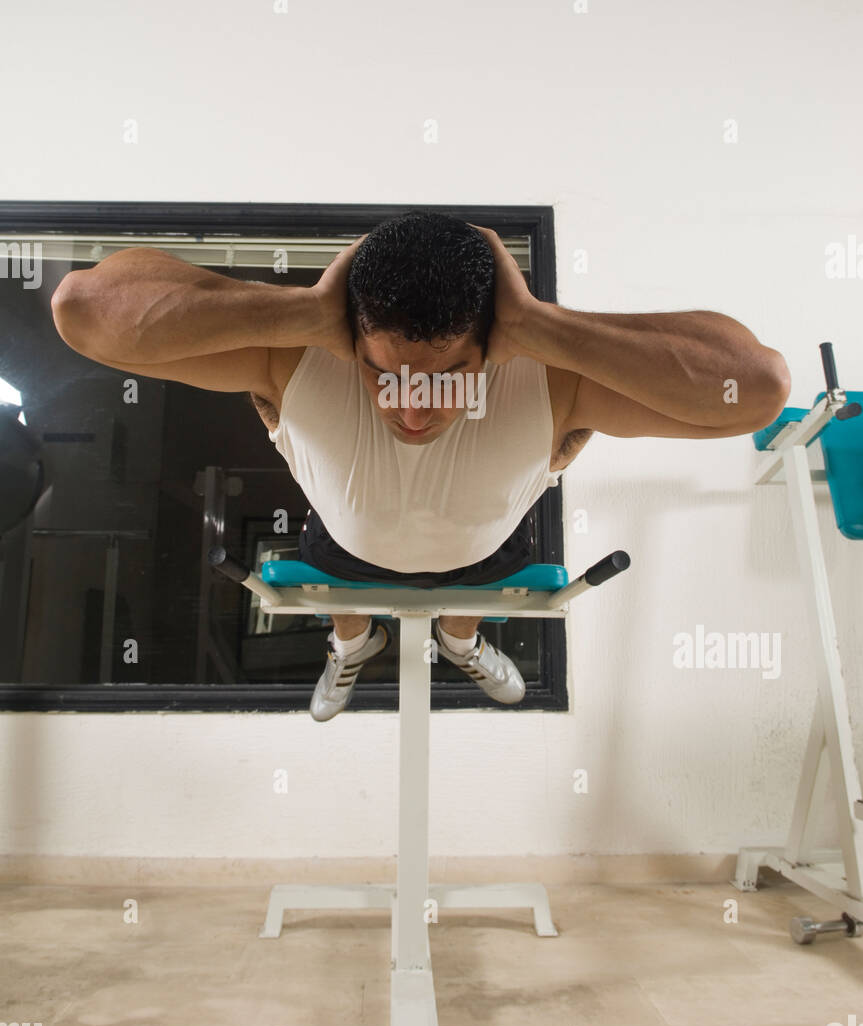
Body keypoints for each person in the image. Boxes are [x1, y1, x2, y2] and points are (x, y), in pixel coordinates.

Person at [50, 209, 791, 721]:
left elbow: (755, 391)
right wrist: (300, 313)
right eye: (384, 374)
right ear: (351, 337)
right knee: (336, 572)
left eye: (445, 377)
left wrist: (540, 325)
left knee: (478, 576)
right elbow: (84, 309)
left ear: (493, 341)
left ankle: (460, 641)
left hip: (484, 553)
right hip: (342, 548)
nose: (411, 410)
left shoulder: (550, 371)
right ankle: (350, 645)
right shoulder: (295, 353)